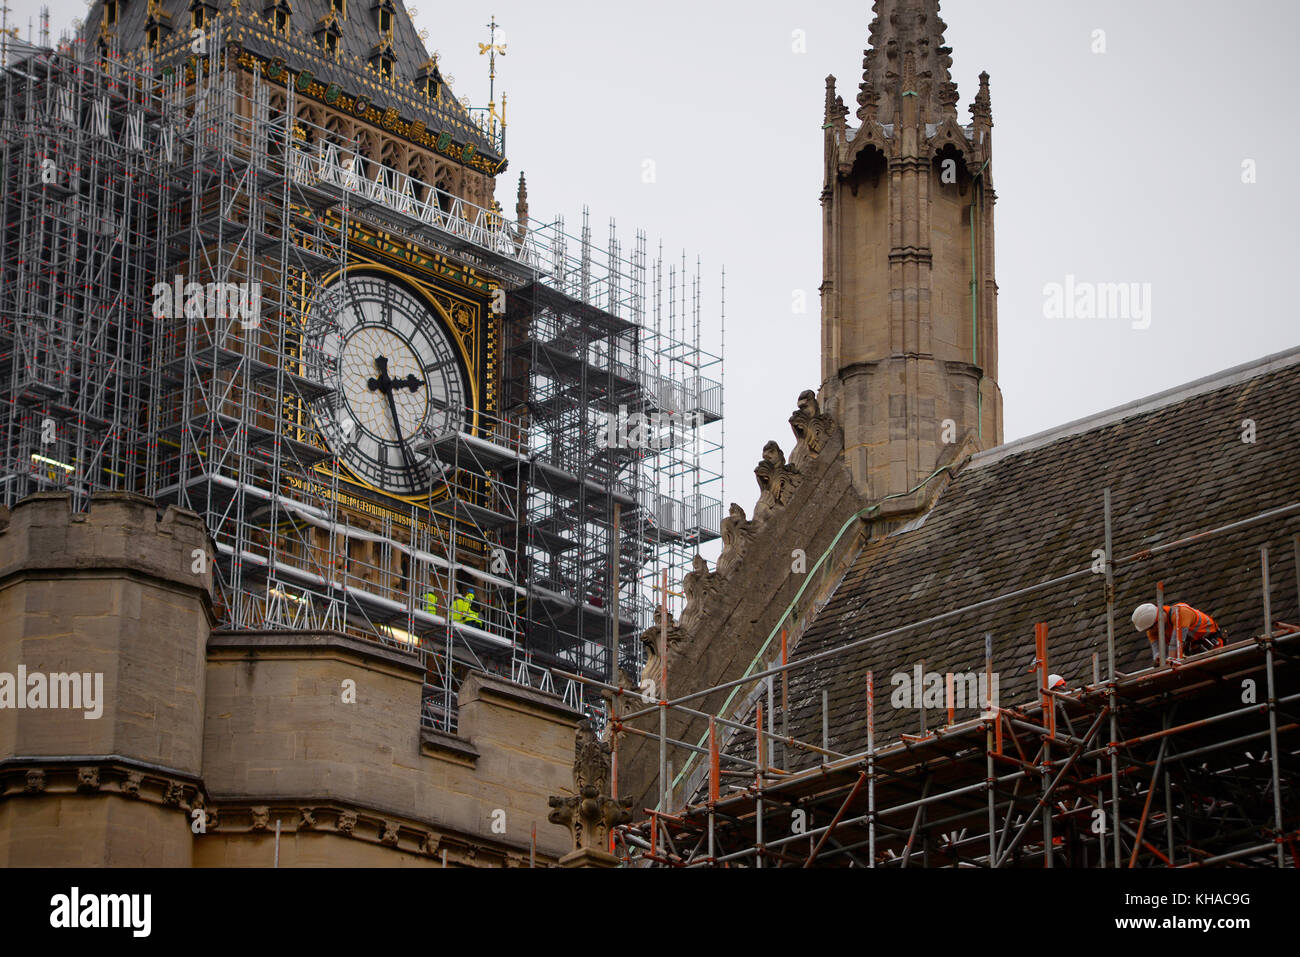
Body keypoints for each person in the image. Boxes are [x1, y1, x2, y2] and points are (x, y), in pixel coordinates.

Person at [1132, 602, 1223, 662]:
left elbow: (1175, 647)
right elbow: (1158, 653)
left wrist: (1167, 661)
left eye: (1151, 628)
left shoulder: (1181, 614)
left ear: (1157, 621)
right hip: (1195, 655)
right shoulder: (1151, 629)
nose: (1150, 631)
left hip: (1214, 648)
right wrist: (1159, 658)